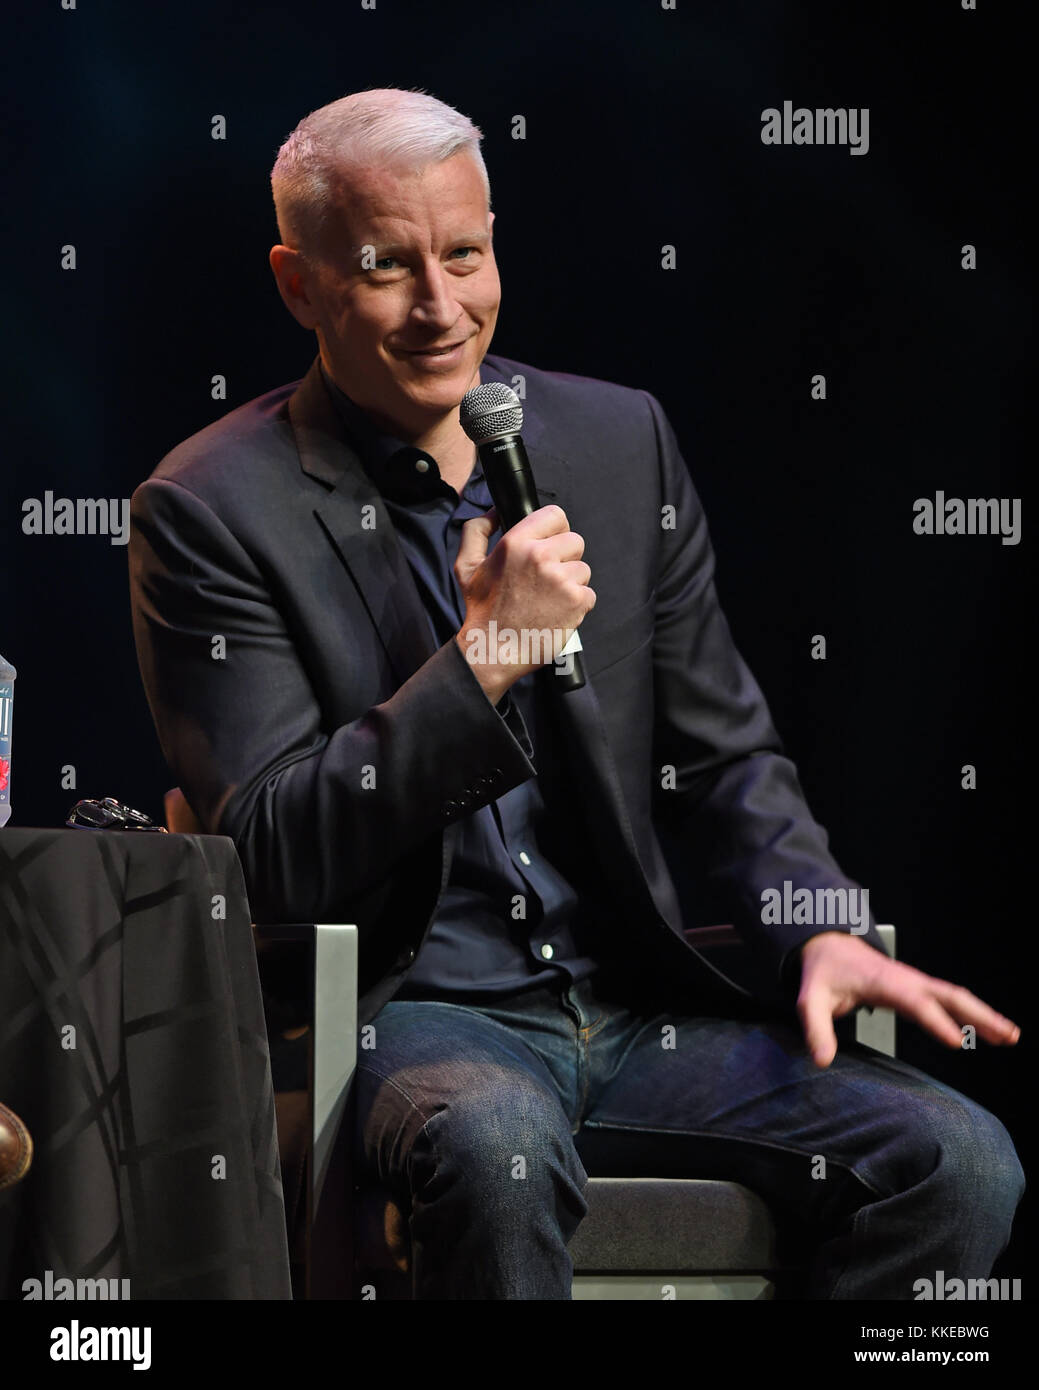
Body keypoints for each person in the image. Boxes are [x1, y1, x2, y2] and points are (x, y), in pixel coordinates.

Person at [128, 87, 1024, 1299]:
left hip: (633, 1005)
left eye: (466, 254)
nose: (442, 308)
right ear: (299, 285)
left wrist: (817, 919)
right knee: (496, 1146)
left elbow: (725, 756)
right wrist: (483, 659)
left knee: (960, 1160)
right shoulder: (210, 509)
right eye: (389, 268)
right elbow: (269, 851)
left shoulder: (616, 441)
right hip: (413, 1014)